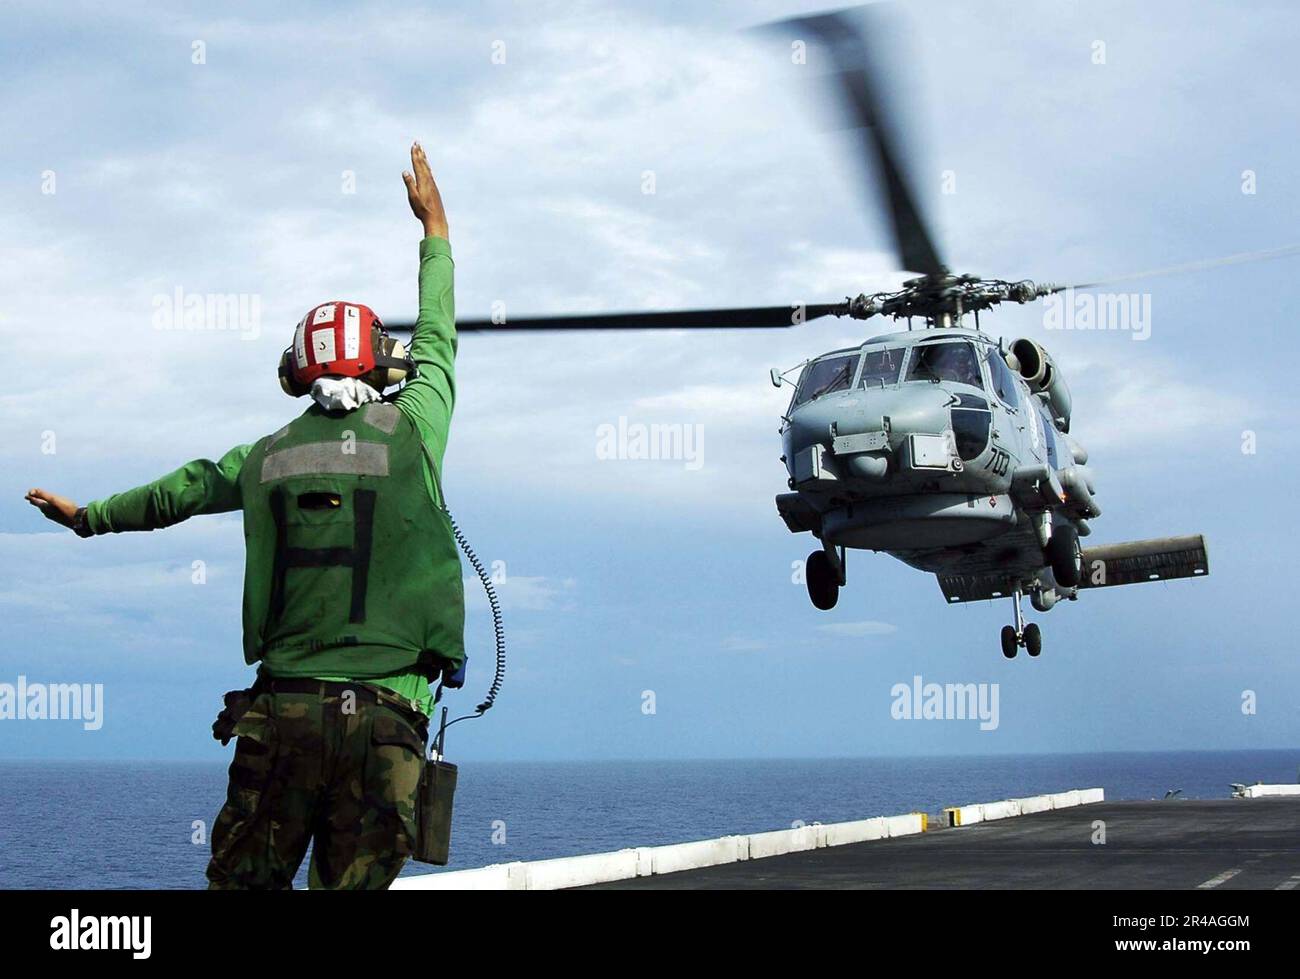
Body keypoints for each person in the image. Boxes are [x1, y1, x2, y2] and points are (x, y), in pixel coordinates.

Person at [25, 142, 464, 890]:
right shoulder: (416, 429)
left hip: (283, 714)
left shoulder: (262, 458)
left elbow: (179, 492)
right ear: (372, 365)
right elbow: (437, 339)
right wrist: (435, 230)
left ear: (302, 371)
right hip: (387, 721)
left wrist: (88, 517)